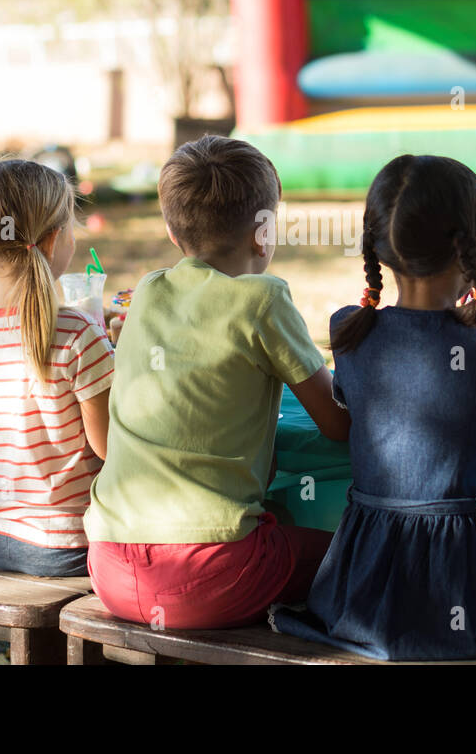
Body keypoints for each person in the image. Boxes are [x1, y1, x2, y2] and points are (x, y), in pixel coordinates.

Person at [269, 154, 476, 660]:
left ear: (377, 247)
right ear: (475, 246)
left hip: (361, 585)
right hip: (468, 573)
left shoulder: (349, 330)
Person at [85, 135, 350, 629]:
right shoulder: (263, 299)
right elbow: (337, 424)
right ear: (264, 232)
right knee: (369, 550)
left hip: (108, 568)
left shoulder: (146, 291)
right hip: (210, 576)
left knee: (277, 522)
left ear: (171, 229)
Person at [0, 159, 113, 577]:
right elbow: (112, 449)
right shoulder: (77, 331)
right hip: (73, 545)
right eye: (72, 226)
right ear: (54, 241)